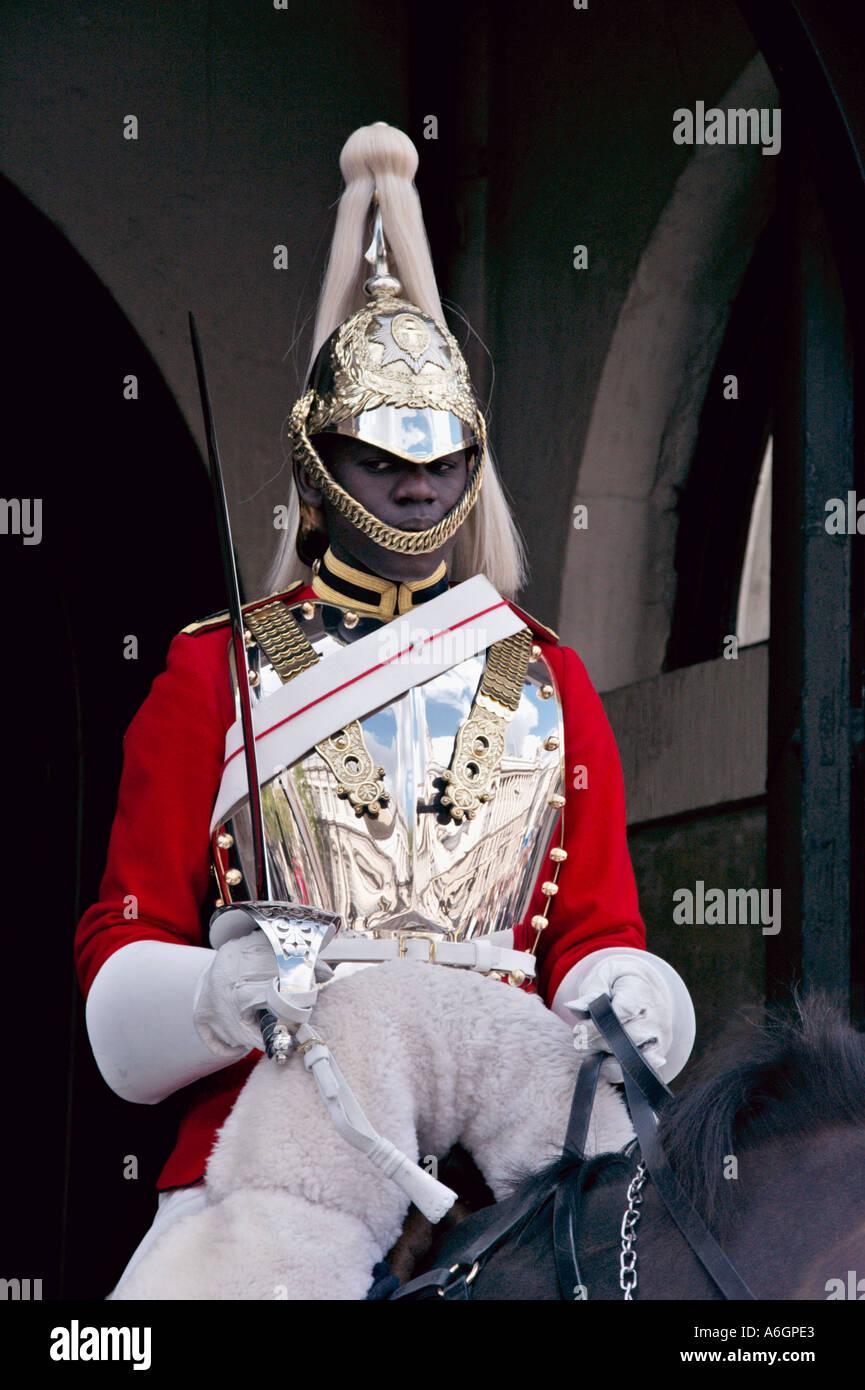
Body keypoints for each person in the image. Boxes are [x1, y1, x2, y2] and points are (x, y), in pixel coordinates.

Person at [75, 121, 695, 1298]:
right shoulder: (218, 671)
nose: (420, 484)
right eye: (381, 457)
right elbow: (126, 937)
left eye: (446, 457)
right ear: (318, 462)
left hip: (518, 1142)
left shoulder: (545, 676)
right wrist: (210, 996)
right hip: (277, 1140)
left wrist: (630, 995)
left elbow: (594, 929)